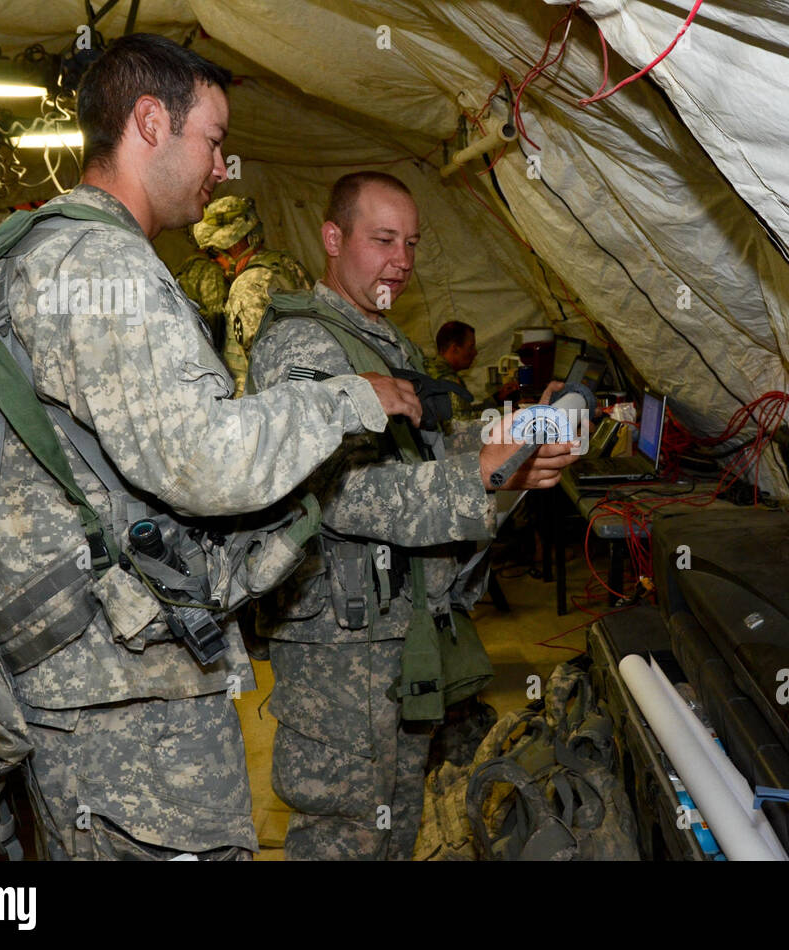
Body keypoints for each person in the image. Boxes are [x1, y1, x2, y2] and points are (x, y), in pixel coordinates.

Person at [0, 34, 419, 861]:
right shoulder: (101, 263)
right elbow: (201, 461)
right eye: (213, 141)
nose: (222, 168)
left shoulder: (29, 254)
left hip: (66, 679)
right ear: (151, 122)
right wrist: (348, 399)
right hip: (118, 700)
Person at [248, 170, 577, 859]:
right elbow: (341, 493)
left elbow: (416, 453)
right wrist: (483, 473)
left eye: (413, 244)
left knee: (396, 820)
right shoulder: (304, 347)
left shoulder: (383, 341)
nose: (402, 259)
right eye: (384, 239)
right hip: (341, 650)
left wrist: (507, 453)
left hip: (400, 631)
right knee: (347, 832)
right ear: (333, 239)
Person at [176, 195, 312, 397]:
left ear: (235, 245)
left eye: (215, 253)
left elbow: (264, 362)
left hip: (263, 401)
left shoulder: (247, 286)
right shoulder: (286, 264)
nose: (217, 263)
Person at [424, 320, 518, 423]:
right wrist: (507, 413)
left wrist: (496, 399)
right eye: (471, 346)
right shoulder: (446, 380)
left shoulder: (439, 371)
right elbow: (462, 423)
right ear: (455, 349)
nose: (475, 352)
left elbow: (466, 412)